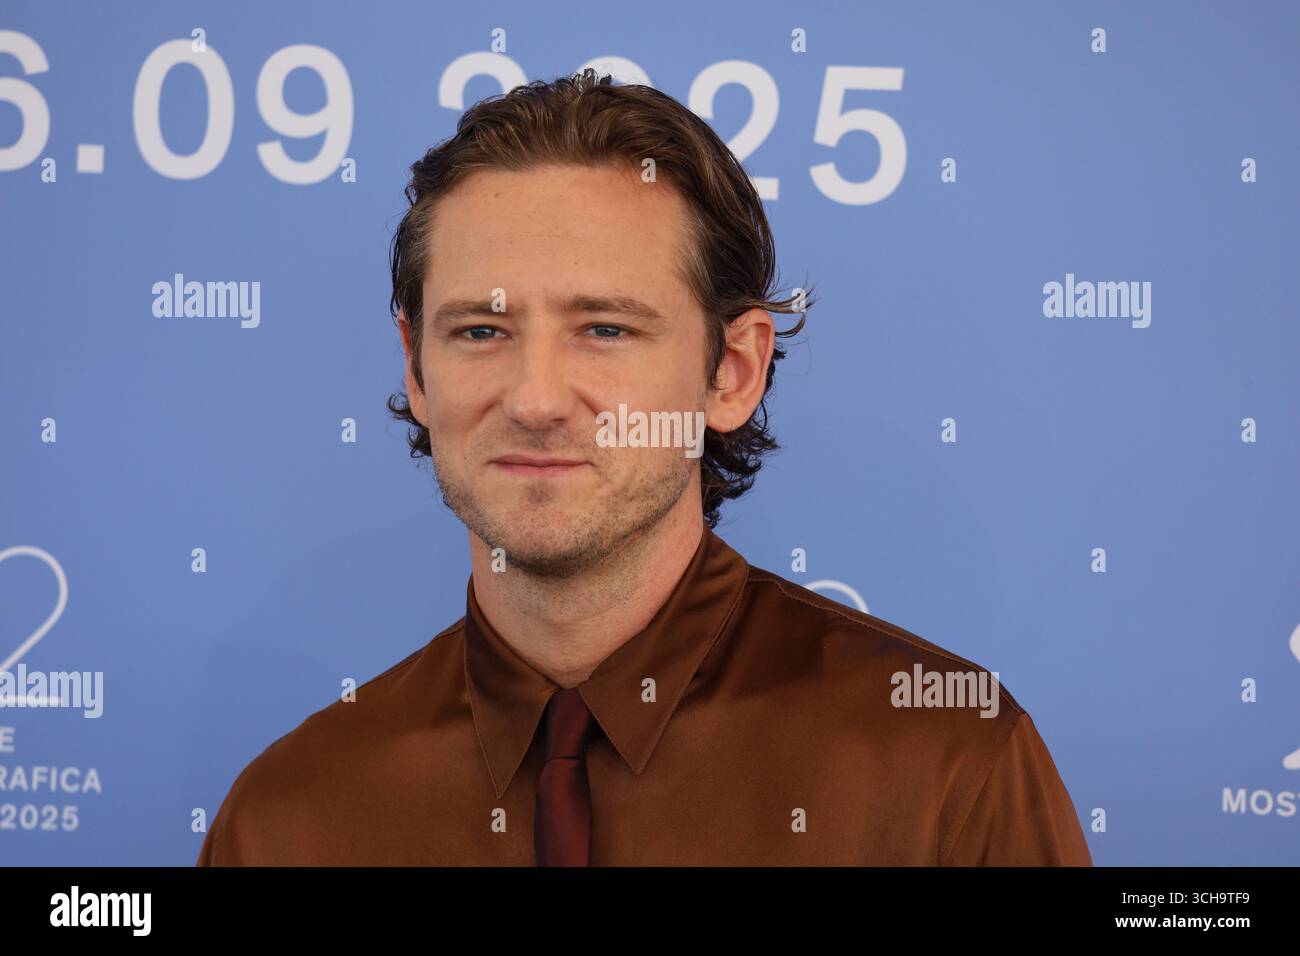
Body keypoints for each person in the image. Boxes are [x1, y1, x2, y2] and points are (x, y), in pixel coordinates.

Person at [196, 70, 1091, 866]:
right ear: (415, 368)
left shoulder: (947, 768)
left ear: (732, 370)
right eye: (480, 331)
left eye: (606, 329)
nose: (536, 398)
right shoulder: (288, 821)